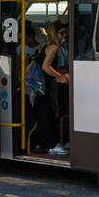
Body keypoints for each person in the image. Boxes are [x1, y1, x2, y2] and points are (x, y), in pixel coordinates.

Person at [40, 21, 70, 156]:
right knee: (51, 114)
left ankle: (50, 143)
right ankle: (53, 145)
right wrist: (60, 76)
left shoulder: (49, 45)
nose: (65, 35)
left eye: (65, 32)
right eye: (62, 33)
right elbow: (46, 66)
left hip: (44, 85)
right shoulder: (54, 48)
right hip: (47, 85)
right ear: (55, 34)